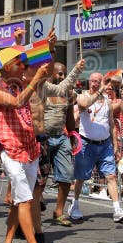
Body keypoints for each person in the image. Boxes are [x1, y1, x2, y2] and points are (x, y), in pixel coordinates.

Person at [0, 49, 56, 243]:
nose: (24, 66)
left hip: (30, 148)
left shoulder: (21, 83)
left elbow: (47, 72)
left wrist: (51, 50)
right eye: (19, 62)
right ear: (7, 66)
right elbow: (17, 102)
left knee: (19, 202)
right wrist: (34, 79)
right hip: (11, 150)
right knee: (25, 198)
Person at [68, 72, 123, 223]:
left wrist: (115, 145)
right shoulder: (82, 96)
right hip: (86, 144)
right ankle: (75, 205)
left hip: (104, 145)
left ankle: (117, 209)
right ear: (89, 82)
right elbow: (83, 105)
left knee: (111, 176)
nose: (95, 84)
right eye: (93, 81)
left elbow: (111, 125)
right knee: (81, 178)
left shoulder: (107, 102)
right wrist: (99, 91)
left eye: (98, 81)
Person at [43, 59, 84, 228]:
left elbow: (68, 115)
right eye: (59, 73)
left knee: (67, 175)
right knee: (40, 178)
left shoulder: (68, 93)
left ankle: (58, 212)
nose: (62, 76)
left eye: (64, 73)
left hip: (61, 138)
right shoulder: (43, 89)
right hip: (43, 138)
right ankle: (35, 202)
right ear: (51, 73)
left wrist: (73, 134)